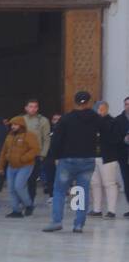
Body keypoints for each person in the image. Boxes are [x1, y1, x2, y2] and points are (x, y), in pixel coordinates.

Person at [43, 91, 99, 234]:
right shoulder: (95, 118)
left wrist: (54, 156)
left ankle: (57, 221)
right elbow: (104, 134)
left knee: (60, 191)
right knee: (81, 191)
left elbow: (57, 139)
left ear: (74, 102)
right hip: (87, 160)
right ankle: (78, 224)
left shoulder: (66, 118)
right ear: (88, 102)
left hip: (67, 159)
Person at [0, 116, 39, 218]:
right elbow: (3, 152)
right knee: (11, 189)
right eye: (12, 125)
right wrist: (0, 167)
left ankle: (29, 205)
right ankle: (16, 211)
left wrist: (23, 158)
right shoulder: (9, 137)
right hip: (11, 166)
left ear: (21, 125)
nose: (13, 126)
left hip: (25, 166)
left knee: (19, 186)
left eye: (15, 124)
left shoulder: (29, 136)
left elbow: (35, 149)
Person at [90, 100, 124, 218]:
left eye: (102, 109)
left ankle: (111, 211)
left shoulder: (112, 122)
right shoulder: (93, 123)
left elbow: (116, 139)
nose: (99, 111)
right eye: (98, 109)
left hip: (108, 157)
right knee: (95, 183)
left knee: (109, 183)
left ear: (106, 109)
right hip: (94, 156)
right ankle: (97, 209)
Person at [22, 100, 51, 204]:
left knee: (31, 180)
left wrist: (43, 154)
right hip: (21, 155)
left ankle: (30, 202)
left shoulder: (43, 121)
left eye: (35, 107)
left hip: (35, 155)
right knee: (20, 181)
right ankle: (21, 201)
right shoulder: (21, 120)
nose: (33, 109)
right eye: (30, 106)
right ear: (26, 108)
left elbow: (46, 139)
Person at [114, 97, 129, 214]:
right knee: (127, 181)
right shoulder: (118, 120)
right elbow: (114, 137)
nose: (128, 106)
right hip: (124, 156)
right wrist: (124, 139)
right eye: (126, 104)